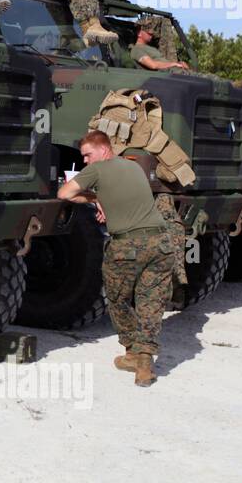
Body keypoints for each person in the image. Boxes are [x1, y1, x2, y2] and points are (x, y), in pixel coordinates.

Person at [56, 130, 175, 386]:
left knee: (118, 300)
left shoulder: (97, 170)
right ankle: (144, 362)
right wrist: (103, 200)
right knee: (150, 302)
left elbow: (64, 194)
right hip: (161, 244)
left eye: (87, 155)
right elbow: (123, 198)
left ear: (103, 149)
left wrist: (93, 197)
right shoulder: (134, 168)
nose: (86, 161)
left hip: (128, 246)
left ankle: (132, 351)